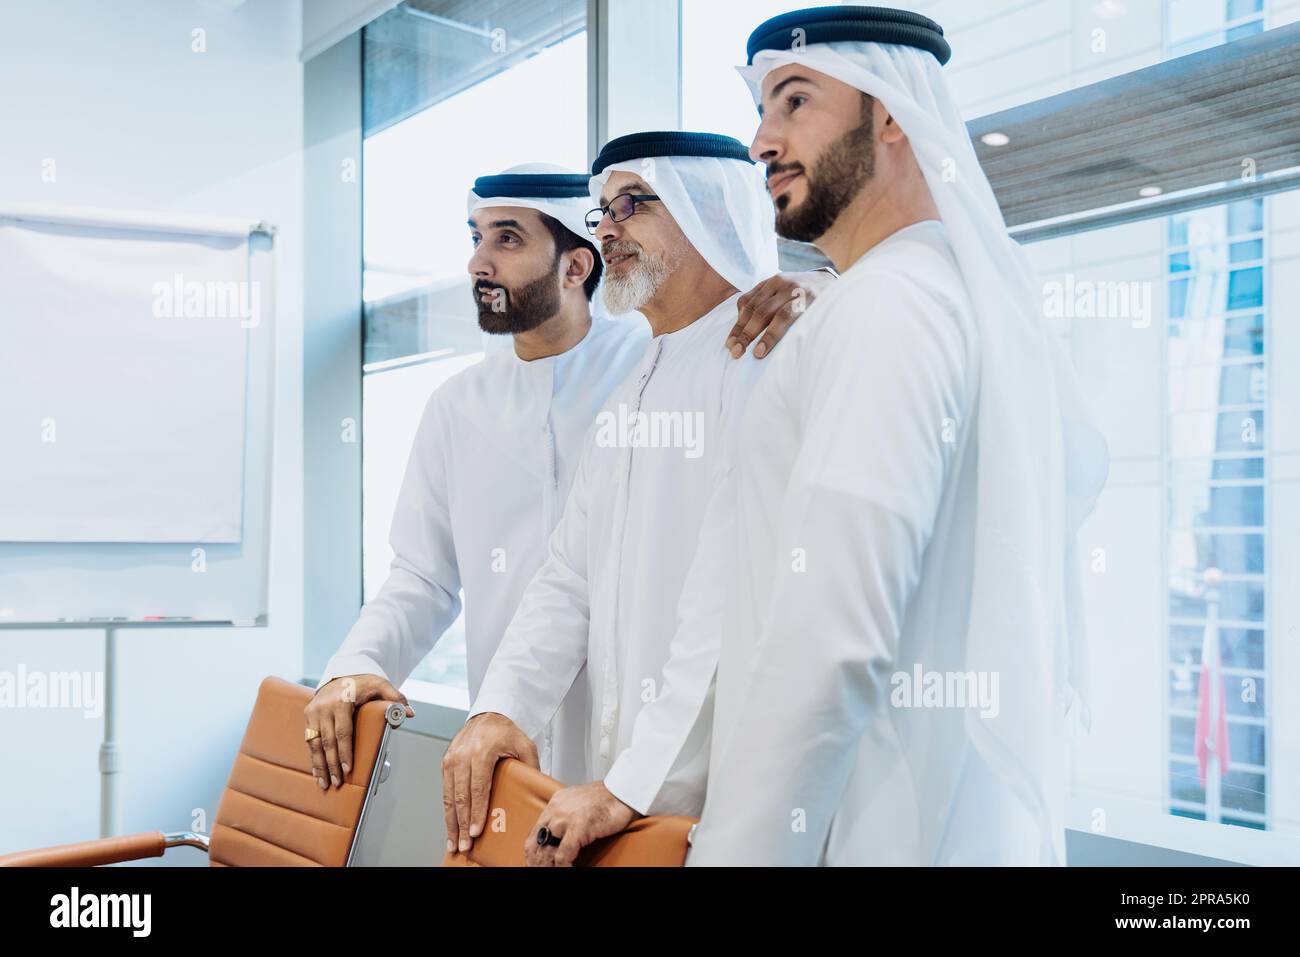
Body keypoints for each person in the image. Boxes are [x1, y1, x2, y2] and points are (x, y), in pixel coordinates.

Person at [685, 6, 1109, 866]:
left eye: (794, 101)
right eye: (761, 109)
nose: (761, 140)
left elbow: (829, 644)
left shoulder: (890, 307)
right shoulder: (916, 295)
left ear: (889, 115)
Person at [303, 163, 824, 795]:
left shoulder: (653, 361)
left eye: (507, 239)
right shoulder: (457, 405)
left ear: (576, 267)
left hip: (663, 736)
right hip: (508, 734)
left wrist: (819, 284)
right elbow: (423, 575)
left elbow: (742, 314)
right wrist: (356, 665)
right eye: (476, 239)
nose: (478, 263)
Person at [441, 133, 833, 863]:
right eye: (600, 213)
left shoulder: (760, 354)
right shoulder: (636, 384)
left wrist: (633, 783)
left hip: (725, 800)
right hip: (635, 795)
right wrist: (503, 708)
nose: (608, 227)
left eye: (631, 204)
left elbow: (733, 601)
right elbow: (567, 579)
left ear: (705, 208)